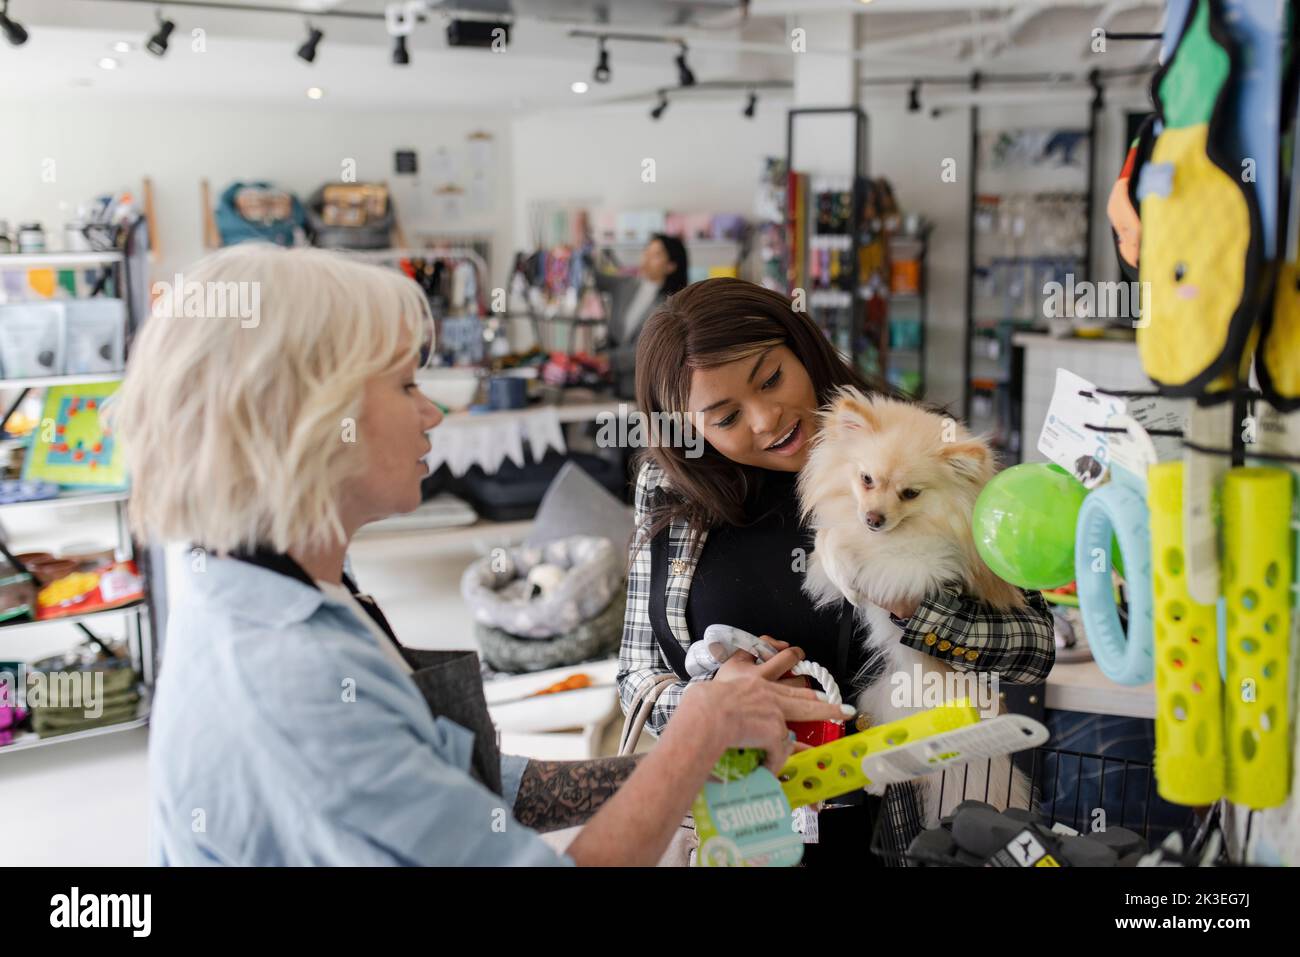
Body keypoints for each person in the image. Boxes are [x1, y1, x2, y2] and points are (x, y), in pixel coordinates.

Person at [112, 246, 848, 866]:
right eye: (405, 384)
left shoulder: (263, 582)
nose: (432, 410)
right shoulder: (292, 683)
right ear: (306, 418)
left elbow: (448, 772)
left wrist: (675, 760)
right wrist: (698, 733)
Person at [616, 277, 1056, 862]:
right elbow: (636, 675)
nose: (767, 418)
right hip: (743, 828)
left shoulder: (916, 451)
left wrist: (914, 608)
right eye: (725, 417)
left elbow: (1035, 645)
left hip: (900, 827)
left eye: (771, 378)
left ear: (801, 343)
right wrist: (718, 702)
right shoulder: (670, 489)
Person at [600, 233, 689, 399]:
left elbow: (650, 347)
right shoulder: (626, 285)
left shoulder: (672, 307)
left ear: (670, 266)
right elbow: (595, 278)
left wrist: (608, 360)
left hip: (645, 391)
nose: (646, 258)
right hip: (611, 385)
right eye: (646, 251)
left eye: (655, 255)